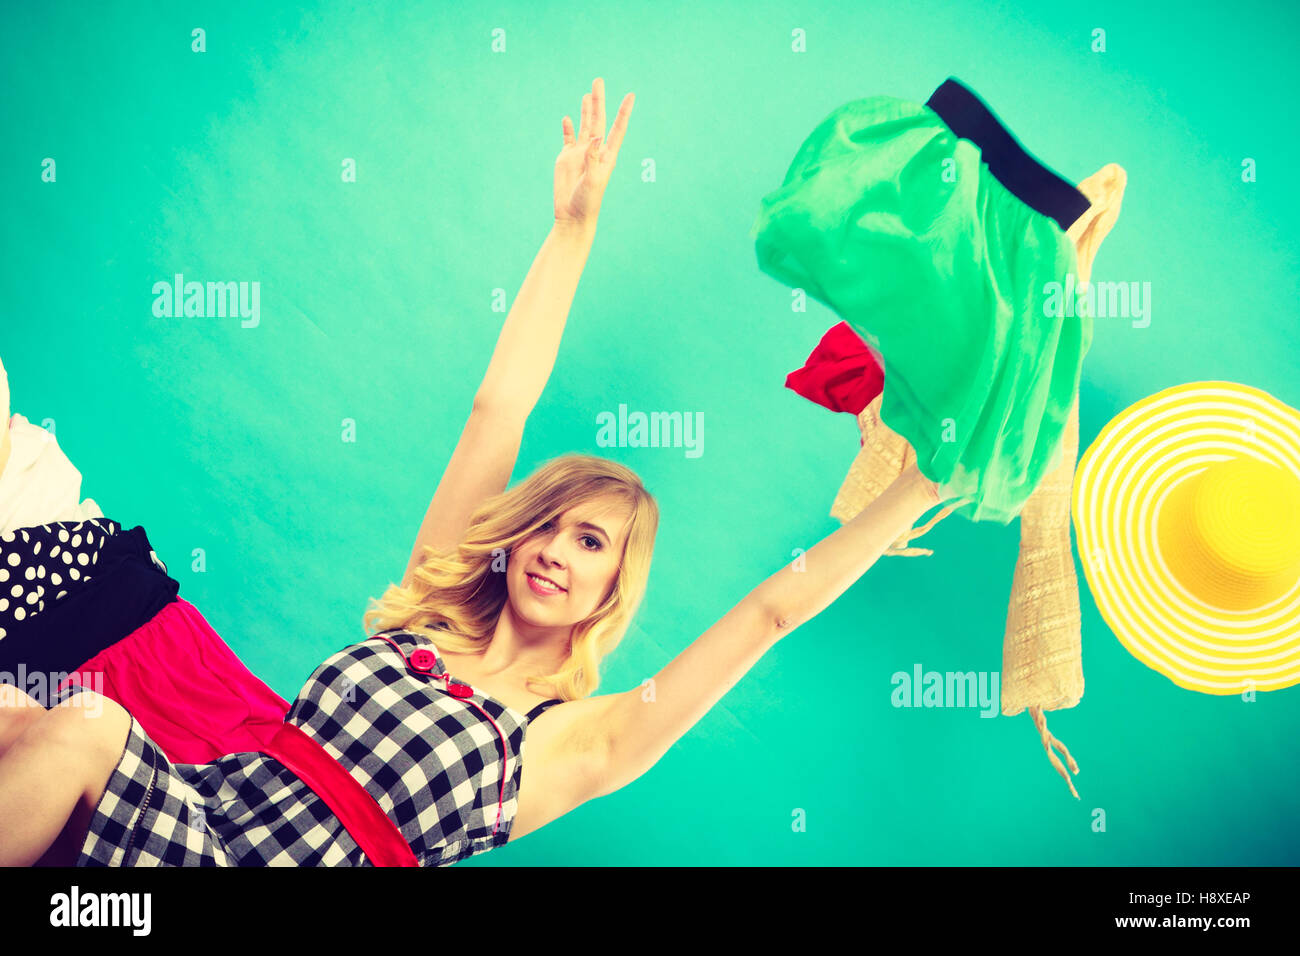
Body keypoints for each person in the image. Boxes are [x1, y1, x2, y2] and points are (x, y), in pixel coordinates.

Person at [0, 77, 945, 867]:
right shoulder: (425, 614)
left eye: (590, 542)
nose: (553, 551)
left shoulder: (562, 743)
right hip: (199, 816)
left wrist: (926, 481)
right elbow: (502, 407)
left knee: (80, 722)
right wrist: (571, 231)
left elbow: (774, 610)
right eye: (547, 524)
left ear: (613, 589)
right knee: (28, 713)